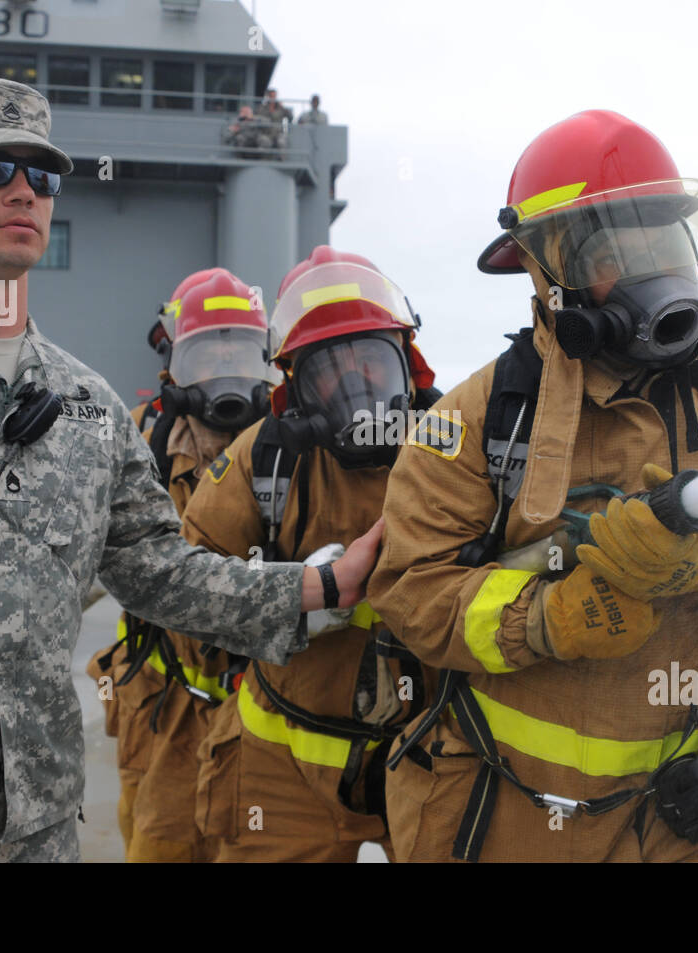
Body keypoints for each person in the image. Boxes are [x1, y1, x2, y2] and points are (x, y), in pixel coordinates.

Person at [0, 75, 381, 864]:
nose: (22, 190)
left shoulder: (84, 403)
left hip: (38, 837)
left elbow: (160, 571)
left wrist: (321, 585)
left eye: (41, 175)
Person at [368, 110, 698, 862]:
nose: (650, 272)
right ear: (548, 277)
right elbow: (411, 592)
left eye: (661, 241)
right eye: (613, 249)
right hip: (521, 817)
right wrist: (549, 618)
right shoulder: (473, 421)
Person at [185, 247, 440, 862]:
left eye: (371, 361)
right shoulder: (263, 459)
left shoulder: (456, 451)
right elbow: (186, 585)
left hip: (430, 760)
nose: (356, 386)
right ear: (295, 385)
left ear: (407, 363)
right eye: (331, 368)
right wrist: (299, 594)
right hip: (283, 774)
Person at [87, 267, 278, 862]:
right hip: (161, 695)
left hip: (262, 705)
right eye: (206, 355)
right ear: (173, 365)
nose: (225, 372)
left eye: (241, 352)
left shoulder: (286, 449)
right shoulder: (136, 441)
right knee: (157, 840)